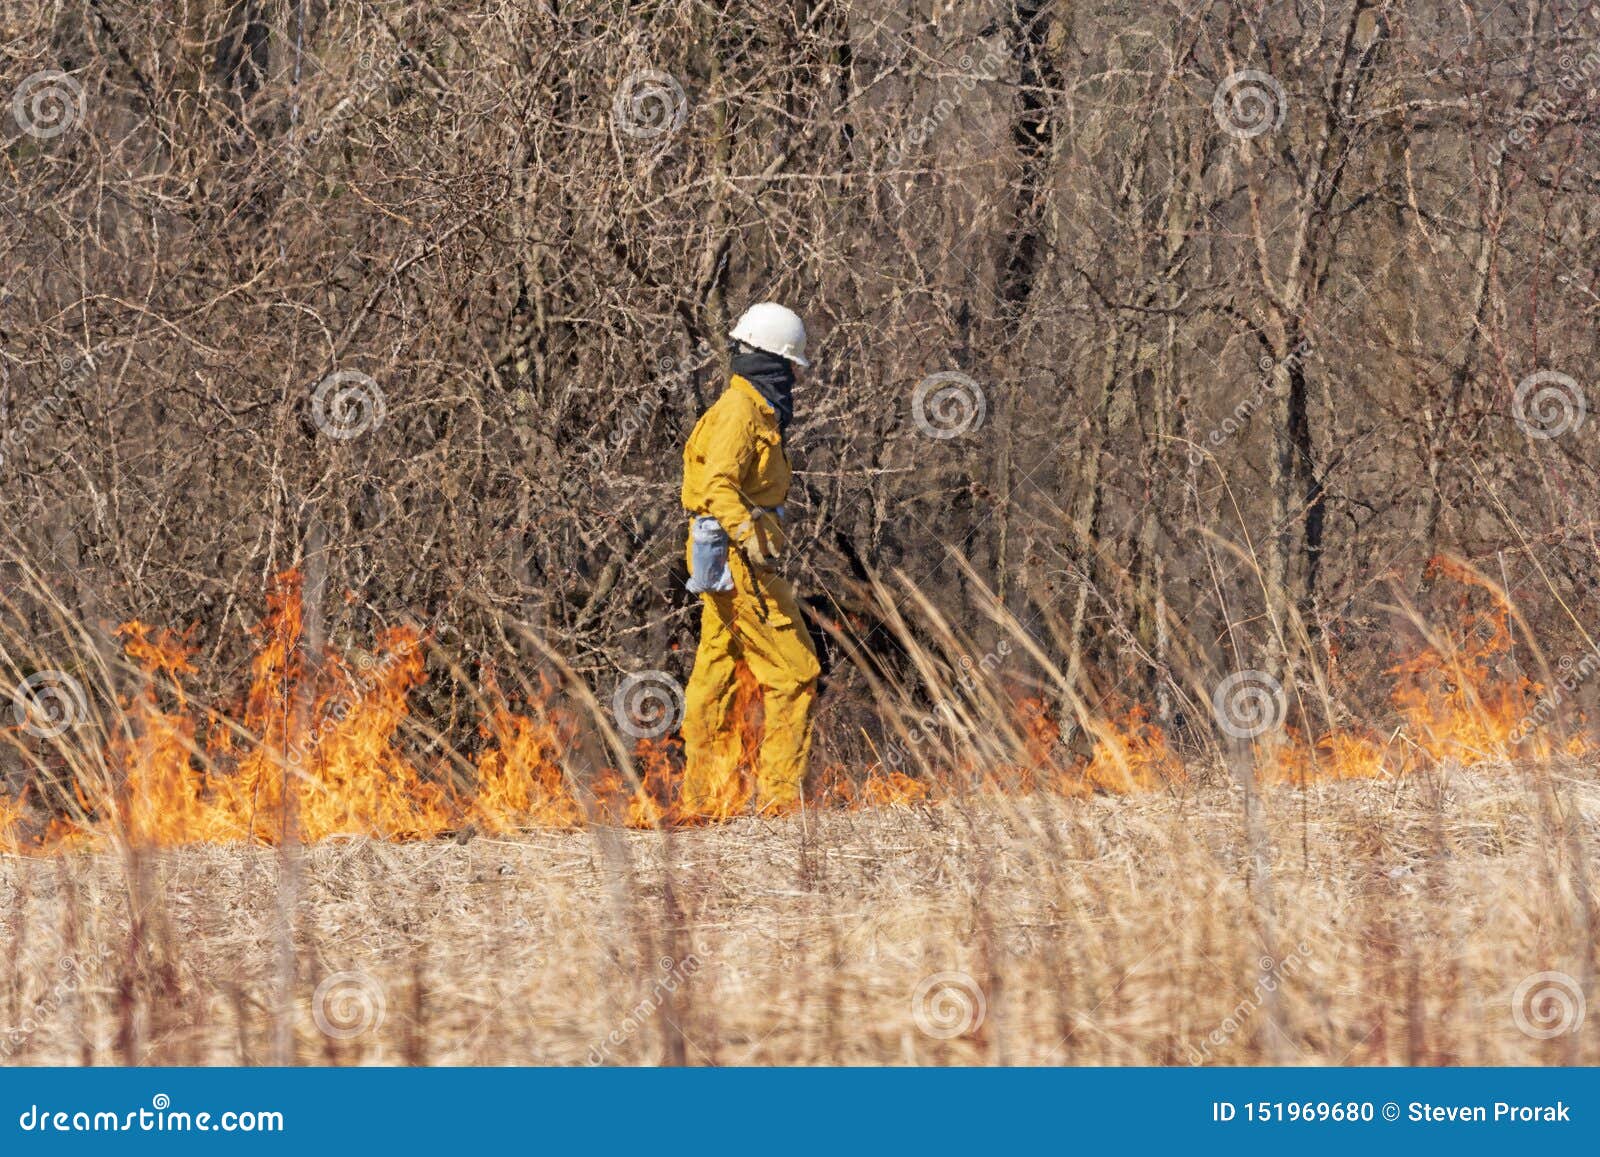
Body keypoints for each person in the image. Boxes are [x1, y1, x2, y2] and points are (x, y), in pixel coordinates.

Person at [678, 302, 821, 818]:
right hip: (739, 560)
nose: (791, 380)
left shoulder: (750, 409)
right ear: (770, 363)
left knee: (719, 668)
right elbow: (718, 485)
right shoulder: (741, 413)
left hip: (725, 557)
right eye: (787, 367)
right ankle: (781, 801)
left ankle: (705, 798)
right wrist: (751, 540)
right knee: (794, 671)